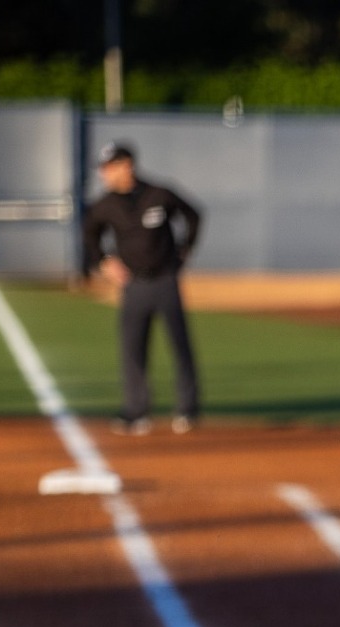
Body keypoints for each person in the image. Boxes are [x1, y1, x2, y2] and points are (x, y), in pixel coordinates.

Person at [79, 143, 203, 435]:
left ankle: (188, 408)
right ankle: (136, 411)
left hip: (165, 280)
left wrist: (185, 251)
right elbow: (89, 232)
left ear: (127, 165)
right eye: (103, 168)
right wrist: (103, 261)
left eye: (110, 166)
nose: (105, 173)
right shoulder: (106, 204)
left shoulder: (158, 194)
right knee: (132, 348)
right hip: (133, 284)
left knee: (179, 344)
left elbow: (193, 215)